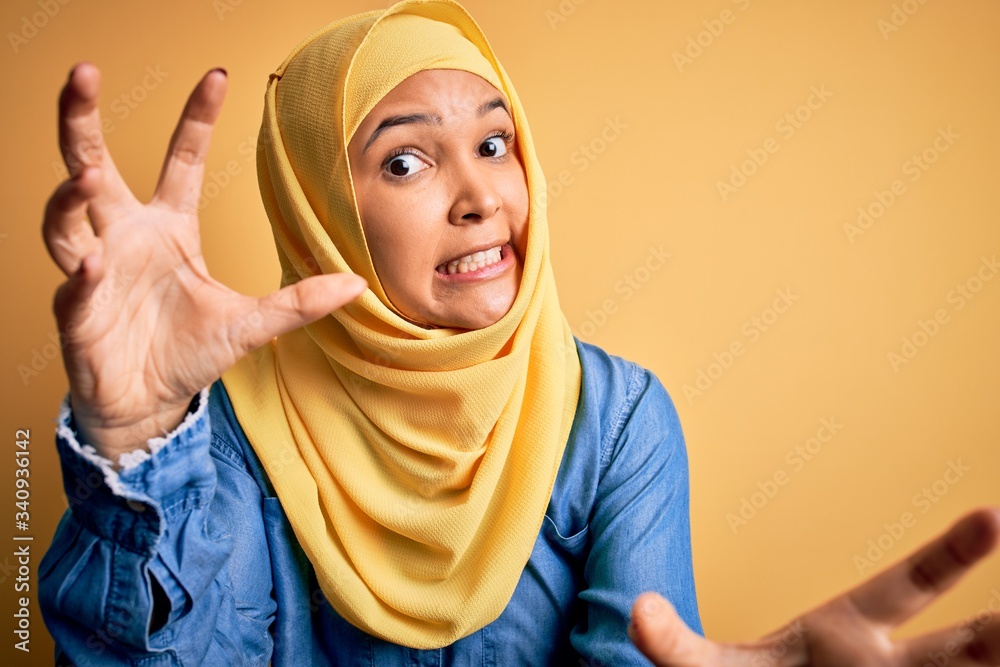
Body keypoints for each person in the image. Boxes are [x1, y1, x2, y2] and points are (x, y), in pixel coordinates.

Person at [38, 0, 999, 665]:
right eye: (408, 161)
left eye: (496, 144)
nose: (482, 197)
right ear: (320, 211)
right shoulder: (225, 436)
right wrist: (133, 436)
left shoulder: (615, 421)